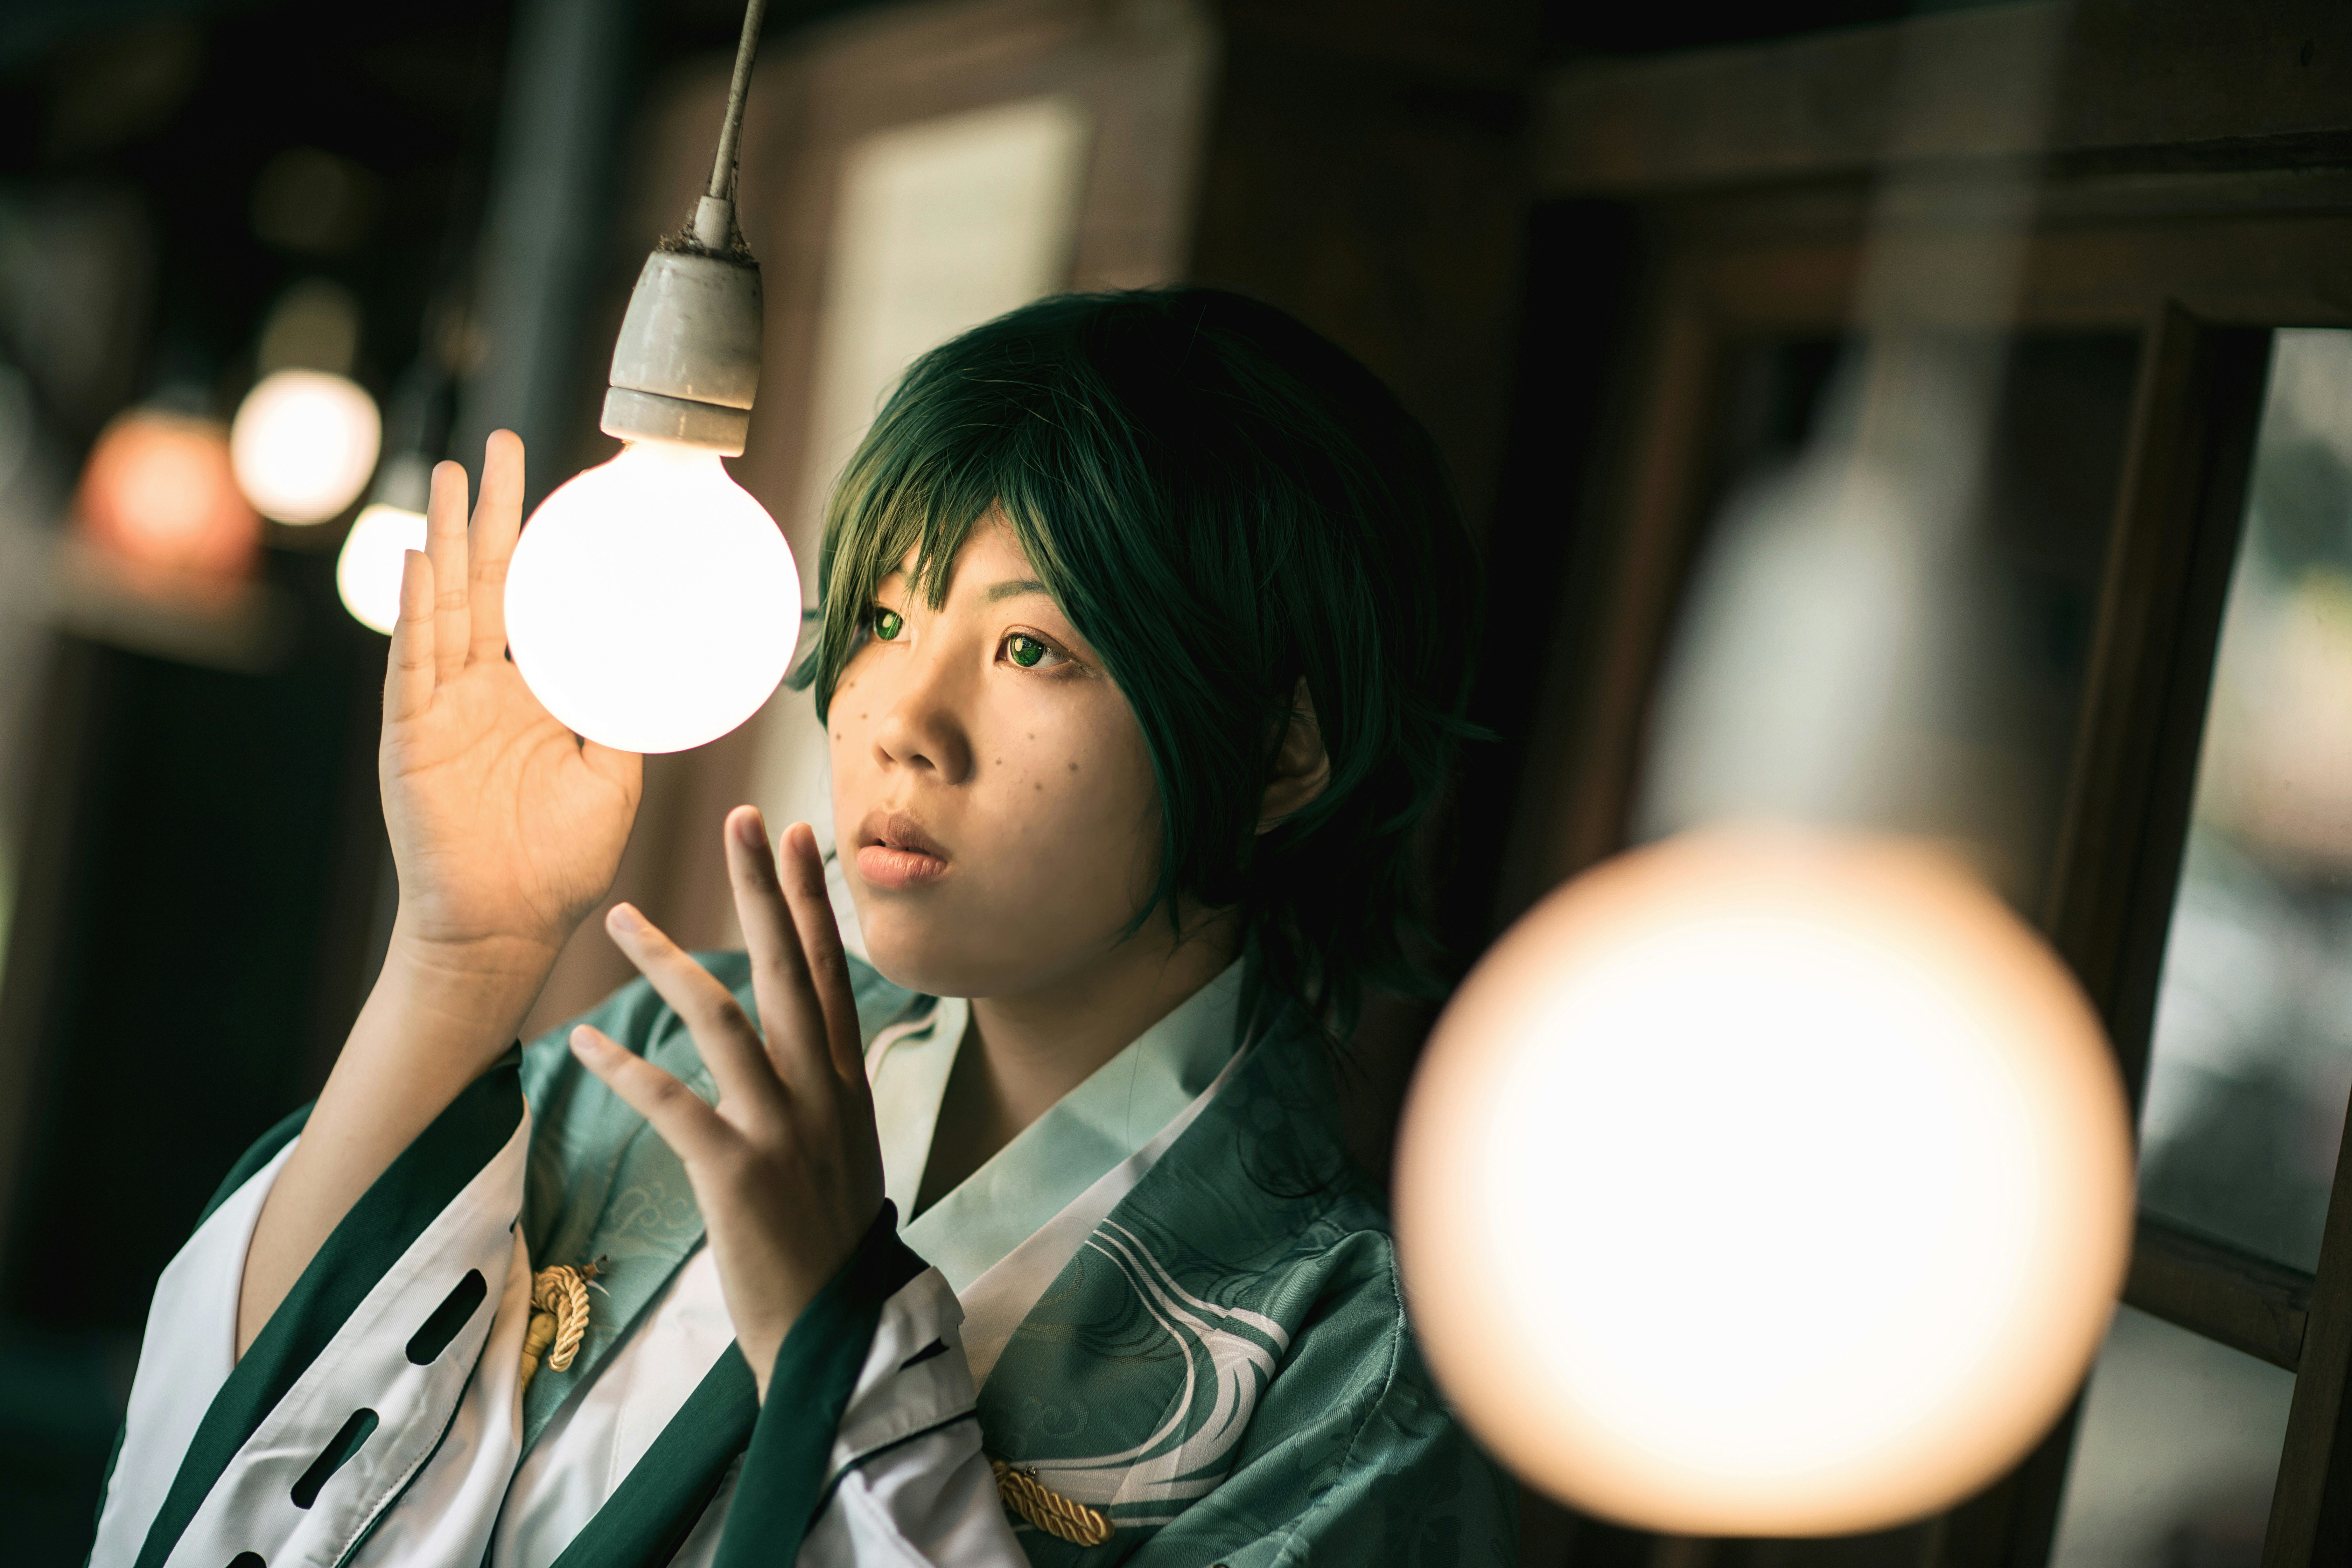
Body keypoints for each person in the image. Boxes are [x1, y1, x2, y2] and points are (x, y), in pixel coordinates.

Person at [89, 288, 1513, 1566]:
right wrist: (461, 955)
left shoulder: (1348, 1370)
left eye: (1034, 647)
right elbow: (238, 1455)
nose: (901, 719)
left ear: (1276, 750)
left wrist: (843, 1338)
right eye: (885, 618)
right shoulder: (675, 1049)